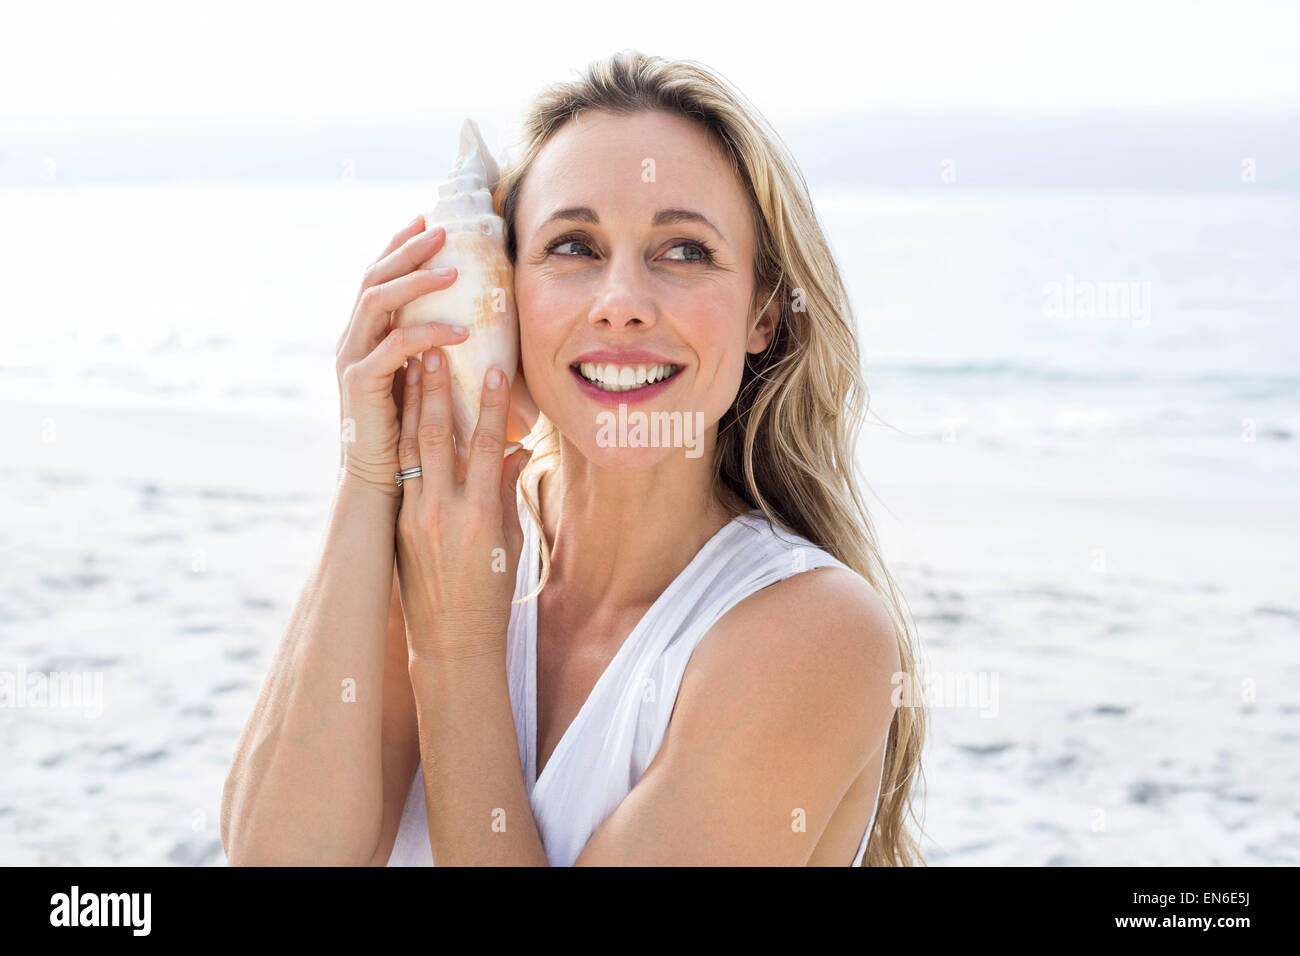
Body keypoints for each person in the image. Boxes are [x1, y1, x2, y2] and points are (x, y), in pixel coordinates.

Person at [222, 50, 927, 867]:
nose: (621, 304)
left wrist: (457, 652)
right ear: (510, 291)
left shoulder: (813, 637)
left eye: (684, 251)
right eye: (574, 247)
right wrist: (372, 475)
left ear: (764, 315)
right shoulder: (449, 543)